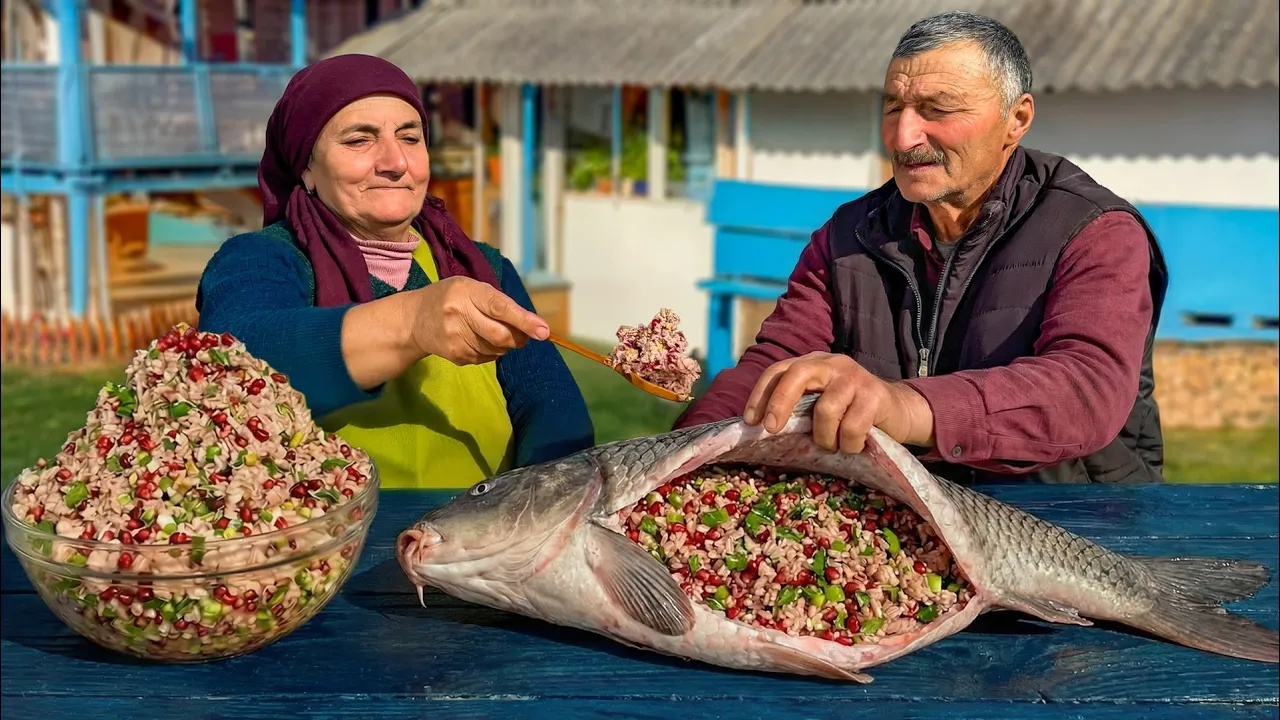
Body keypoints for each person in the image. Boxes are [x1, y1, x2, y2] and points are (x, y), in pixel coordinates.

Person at [674, 12, 1169, 485]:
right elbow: (774, 365)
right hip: (910, 512)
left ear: (1016, 119)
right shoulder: (851, 233)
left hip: (1076, 517)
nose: (904, 136)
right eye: (893, 106)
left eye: (938, 110)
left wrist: (901, 406)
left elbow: (1085, 389)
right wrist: (680, 457)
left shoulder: (1095, 230)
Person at [196, 54, 594, 489]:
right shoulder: (260, 259)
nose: (395, 162)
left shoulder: (481, 266)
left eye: (410, 137)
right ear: (306, 168)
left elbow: (552, 407)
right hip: (340, 543)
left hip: (483, 535)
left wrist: (530, 508)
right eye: (358, 140)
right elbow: (233, 364)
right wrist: (414, 321)